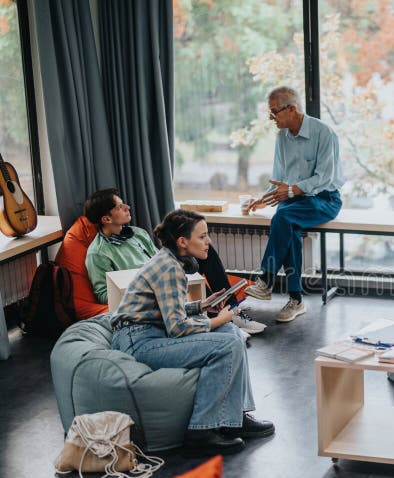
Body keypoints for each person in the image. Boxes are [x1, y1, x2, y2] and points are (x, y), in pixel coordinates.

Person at [110, 209, 274, 457]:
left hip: (150, 331)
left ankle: (236, 417)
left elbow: (166, 310)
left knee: (232, 332)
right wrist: (217, 319)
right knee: (227, 341)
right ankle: (200, 431)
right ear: (182, 242)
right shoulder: (170, 269)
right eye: (203, 236)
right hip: (138, 341)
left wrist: (202, 306)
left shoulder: (169, 261)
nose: (209, 242)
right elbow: (177, 327)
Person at [83, 189, 266, 336]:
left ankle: (231, 308)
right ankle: (223, 320)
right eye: (120, 207)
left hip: (164, 273)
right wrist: (143, 284)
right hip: (147, 289)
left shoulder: (137, 233)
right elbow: (104, 294)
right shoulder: (97, 253)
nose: (128, 207)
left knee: (206, 251)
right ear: (106, 219)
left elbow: (159, 257)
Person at [243, 86, 344, 322]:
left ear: (291, 109)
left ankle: (267, 279)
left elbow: (324, 178)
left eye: (274, 112)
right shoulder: (282, 136)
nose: (271, 118)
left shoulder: (324, 134)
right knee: (289, 226)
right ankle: (296, 299)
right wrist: (264, 199)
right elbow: (279, 176)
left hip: (325, 199)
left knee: (284, 218)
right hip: (294, 199)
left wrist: (289, 191)